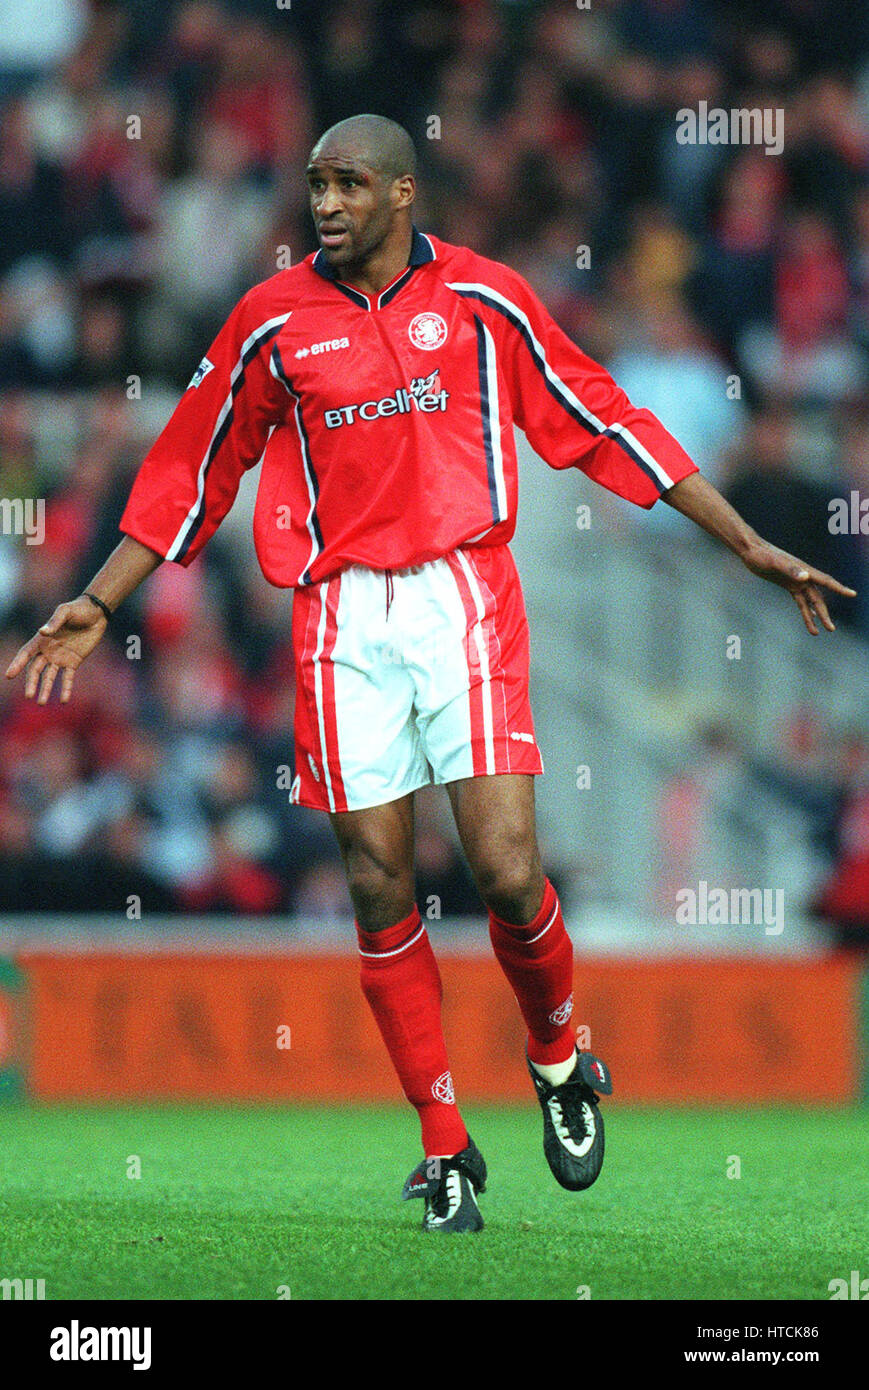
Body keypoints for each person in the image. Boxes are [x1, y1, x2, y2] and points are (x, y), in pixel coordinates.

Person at [6, 114, 855, 1233]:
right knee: (375, 886)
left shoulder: (484, 300)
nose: (325, 204)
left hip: (463, 595)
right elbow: (194, 462)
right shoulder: (271, 320)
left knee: (506, 871)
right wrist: (98, 596)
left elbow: (603, 416)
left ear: (404, 193)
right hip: (339, 616)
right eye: (315, 184)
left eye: (349, 184)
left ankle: (556, 1059)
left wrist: (739, 538)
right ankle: (445, 1143)